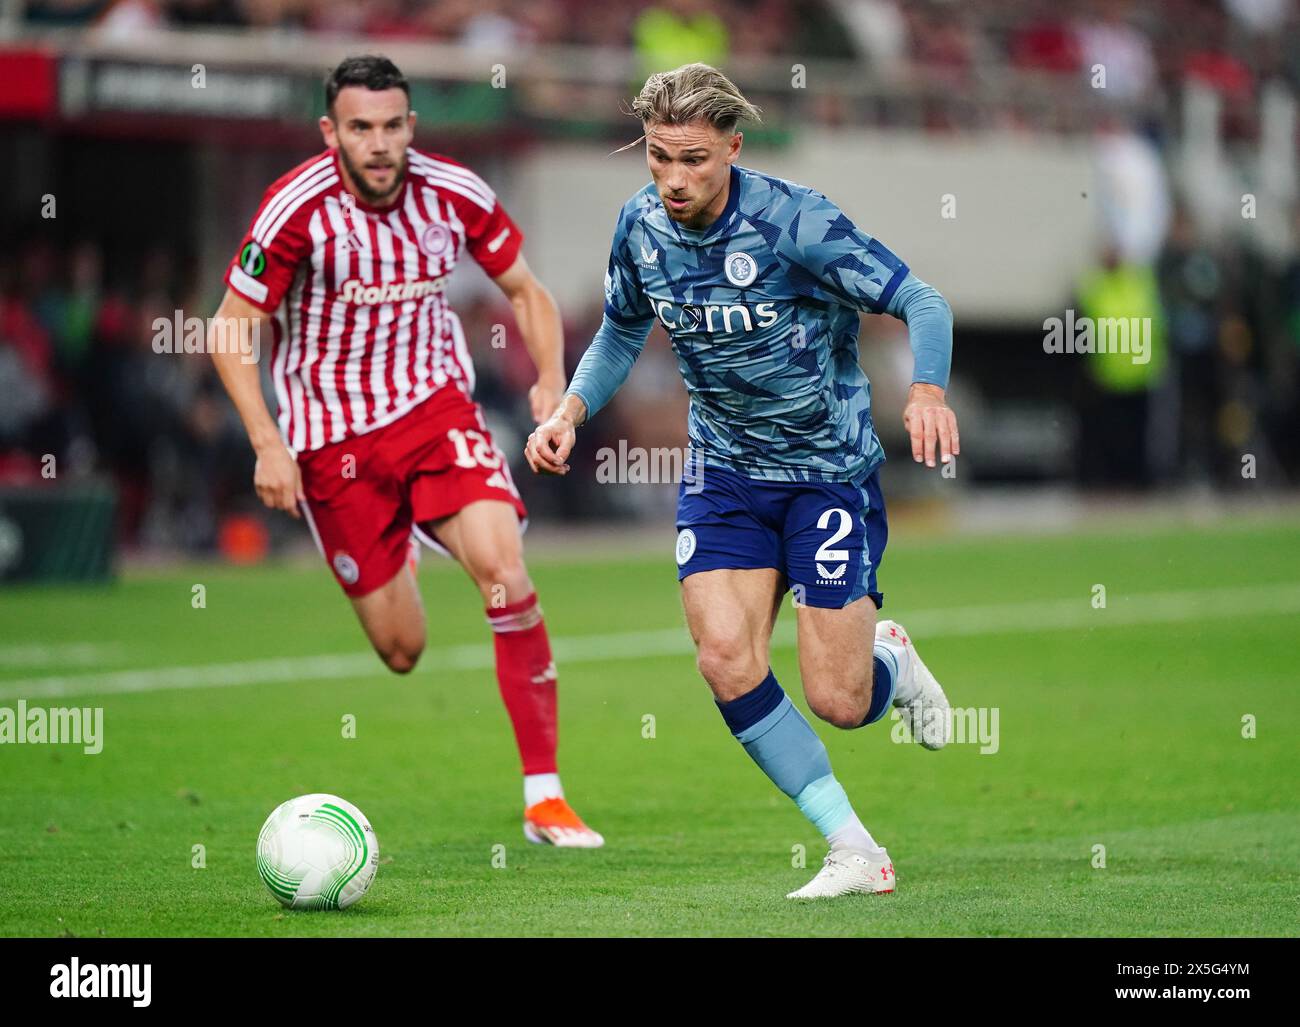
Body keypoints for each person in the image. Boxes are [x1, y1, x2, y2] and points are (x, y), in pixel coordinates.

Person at [525, 63, 959, 895]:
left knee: (837, 695)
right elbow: (620, 331)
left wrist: (928, 390)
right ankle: (854, 847)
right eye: (658, 157)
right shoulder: (640, 226)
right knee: (725, 657)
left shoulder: (797, 222)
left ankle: (891, 664)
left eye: (693, 158)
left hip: (826, 478)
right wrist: (570, 412)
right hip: (724, 472)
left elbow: (922, 300)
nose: (674, 179)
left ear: (733, 143)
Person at [209, 54, 603, 848]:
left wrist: (551, 385)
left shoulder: (454, 192)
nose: (380, 143)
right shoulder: (296, 208)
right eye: (361, 127)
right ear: (332, 132)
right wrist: (268, 441)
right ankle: (405, 542)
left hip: (434, 413)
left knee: (505, 573)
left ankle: (545, 797)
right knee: (401, 649)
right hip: (330, 438)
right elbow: (230, 328)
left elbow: (526, 291)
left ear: (411, 127)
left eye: (393, 126)